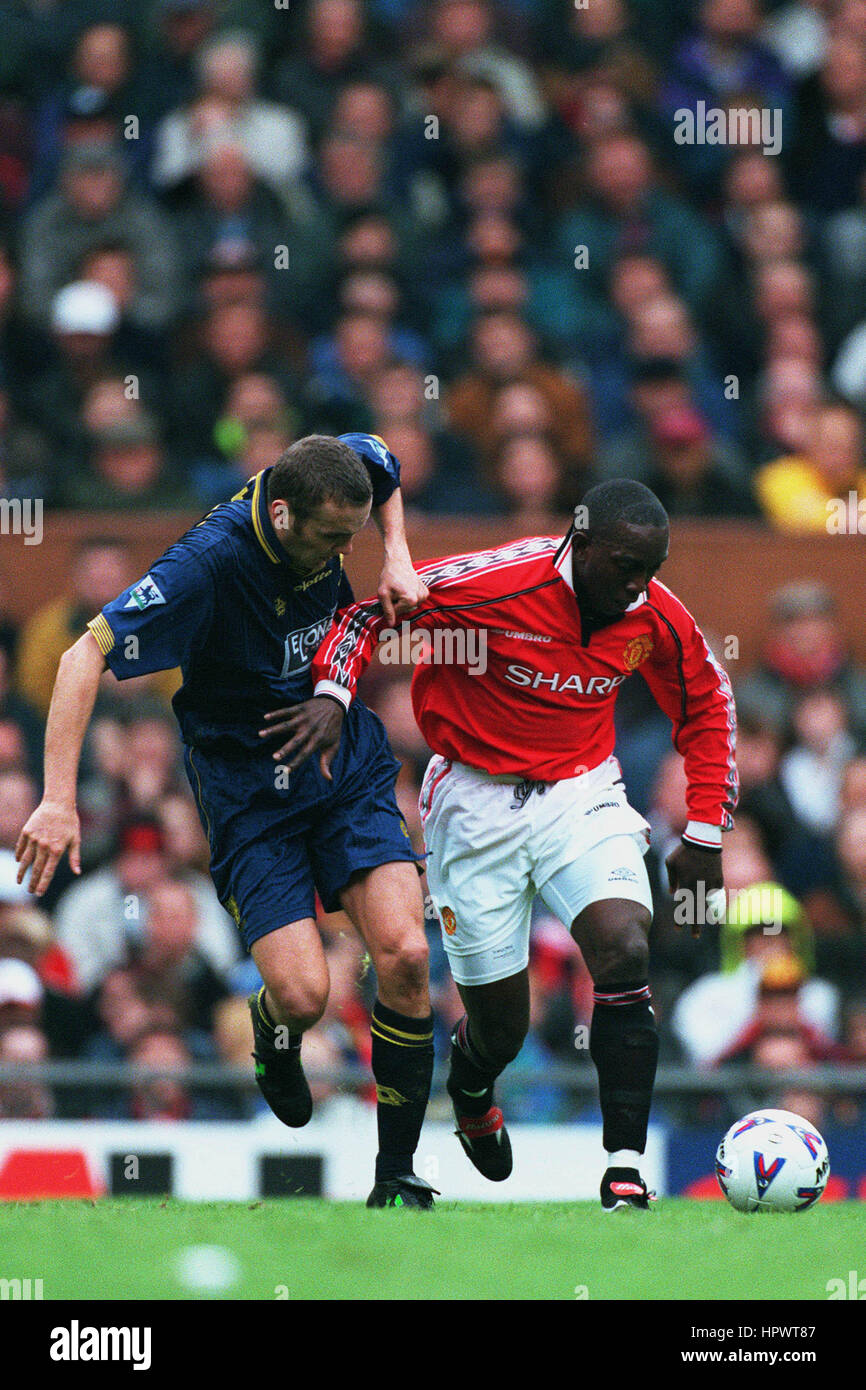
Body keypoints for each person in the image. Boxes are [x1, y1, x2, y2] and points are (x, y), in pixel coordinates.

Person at [272, 478, 738, 1210]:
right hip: (474, 801)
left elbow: (708, 701)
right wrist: (333, 696)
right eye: (624, 565)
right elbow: (364, 621)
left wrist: (706, 832)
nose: (637, 584)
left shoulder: (653, 614)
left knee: (624, 948)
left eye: (651, 568)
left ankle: (624, 1171)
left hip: (582, 792)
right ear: (578, 545)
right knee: (500, 1026)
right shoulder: (493, 585)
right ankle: (472, 1083)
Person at [15, 433, 438, 1210]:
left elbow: (384, 466)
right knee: (305, 994)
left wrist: (398, 555)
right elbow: (83, 657)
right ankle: (274, 1032)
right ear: (280, 514)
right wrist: (58, 798)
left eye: (354, 535)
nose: (345, 552)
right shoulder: (204, 566)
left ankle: (398, 1176)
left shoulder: (330, 471)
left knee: (408, 954)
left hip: (341, 759)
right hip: (248, 788)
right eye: (332, 540)